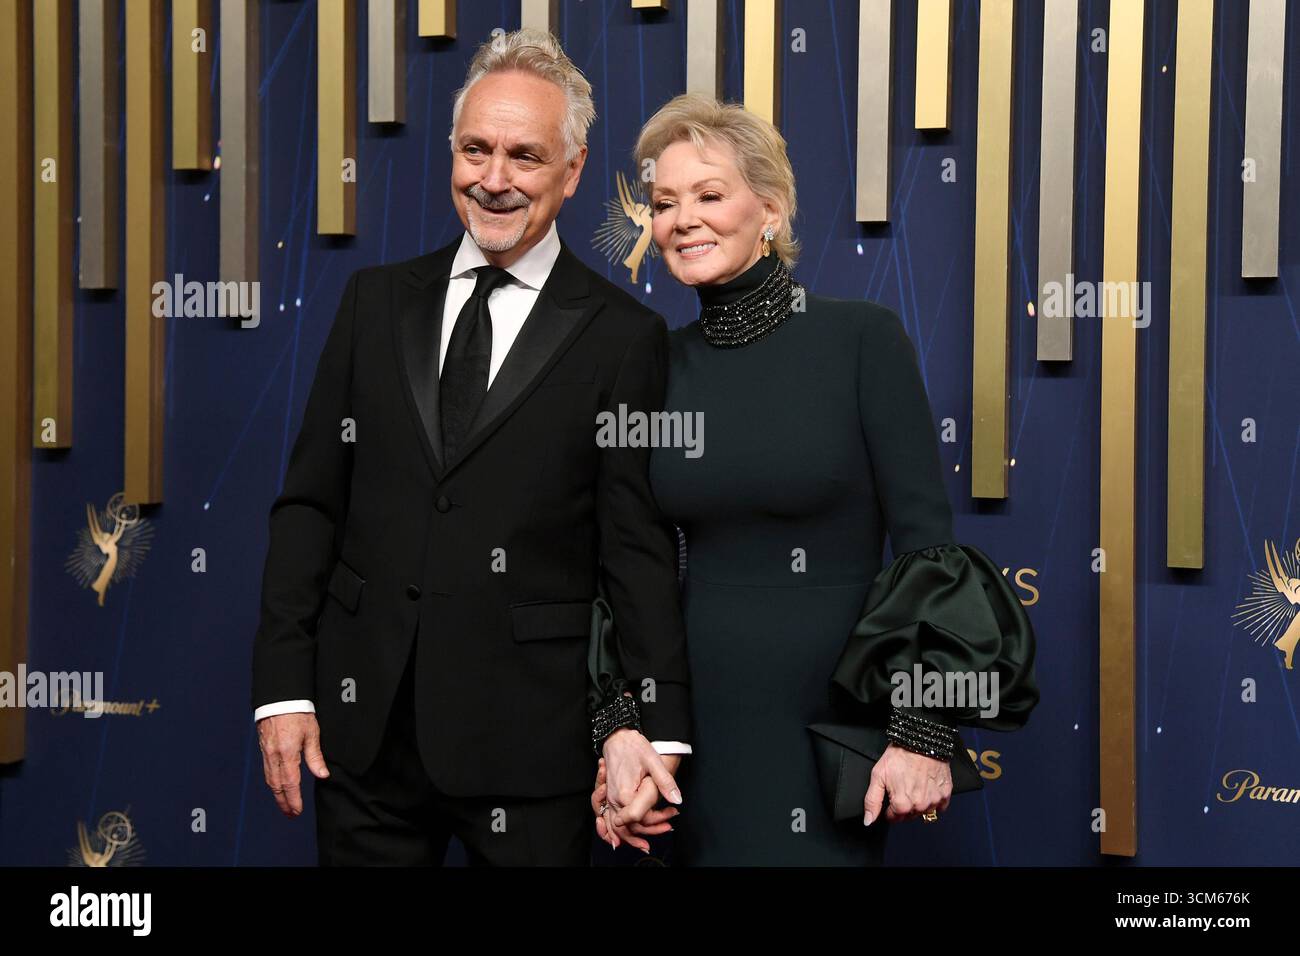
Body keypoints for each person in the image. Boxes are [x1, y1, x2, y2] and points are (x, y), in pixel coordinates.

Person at [251, 29, 691, 866]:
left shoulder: (623, 337)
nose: (493, 180)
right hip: (363, 737)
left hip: (534, 749)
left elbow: (633, 551)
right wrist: (282, 690)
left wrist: (657, 728)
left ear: (572, 171)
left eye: (524, 156)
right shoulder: (372, 304)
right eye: (475, 150)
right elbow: (310, 505)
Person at [592, 94, 1038, 865]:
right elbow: (632, 562)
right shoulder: (652, 361)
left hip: (832, 724)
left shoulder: (861, 341)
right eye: (664, 203)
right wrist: (624, 729)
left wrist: (921, 732)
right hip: (693, 730)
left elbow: (926, 546)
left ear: (769, 208)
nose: (681, 219)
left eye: (708, 195)